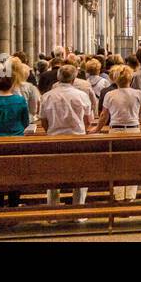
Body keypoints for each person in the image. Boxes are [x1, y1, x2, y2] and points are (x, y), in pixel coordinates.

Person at [94, 65, 141, 201]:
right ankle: (129, 196)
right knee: (131, 163)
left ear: (115, 79)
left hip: (115, 130)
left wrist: (97, 129)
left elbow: (103, 116)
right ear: (130, 79)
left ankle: (118, 195)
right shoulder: (138, 93)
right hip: (133, 129)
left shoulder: (109, 94)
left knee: (116, 163)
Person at [41, 64, 97, 205]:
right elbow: (88, 120)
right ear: (74, 79)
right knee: (81, 175)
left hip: (54, 140)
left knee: (53, 175)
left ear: (58, 78)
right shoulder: (81, 95)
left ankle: (52, 210)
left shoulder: (47, 96)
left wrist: (51, 131)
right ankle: (78, 208)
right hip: (77, 139)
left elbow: (44, 121)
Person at [0, 73, 30, 207]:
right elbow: (26, 122)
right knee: (16, 172)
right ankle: (14, 203)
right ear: (12, 84)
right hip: (16, 140)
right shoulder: (20, 100)